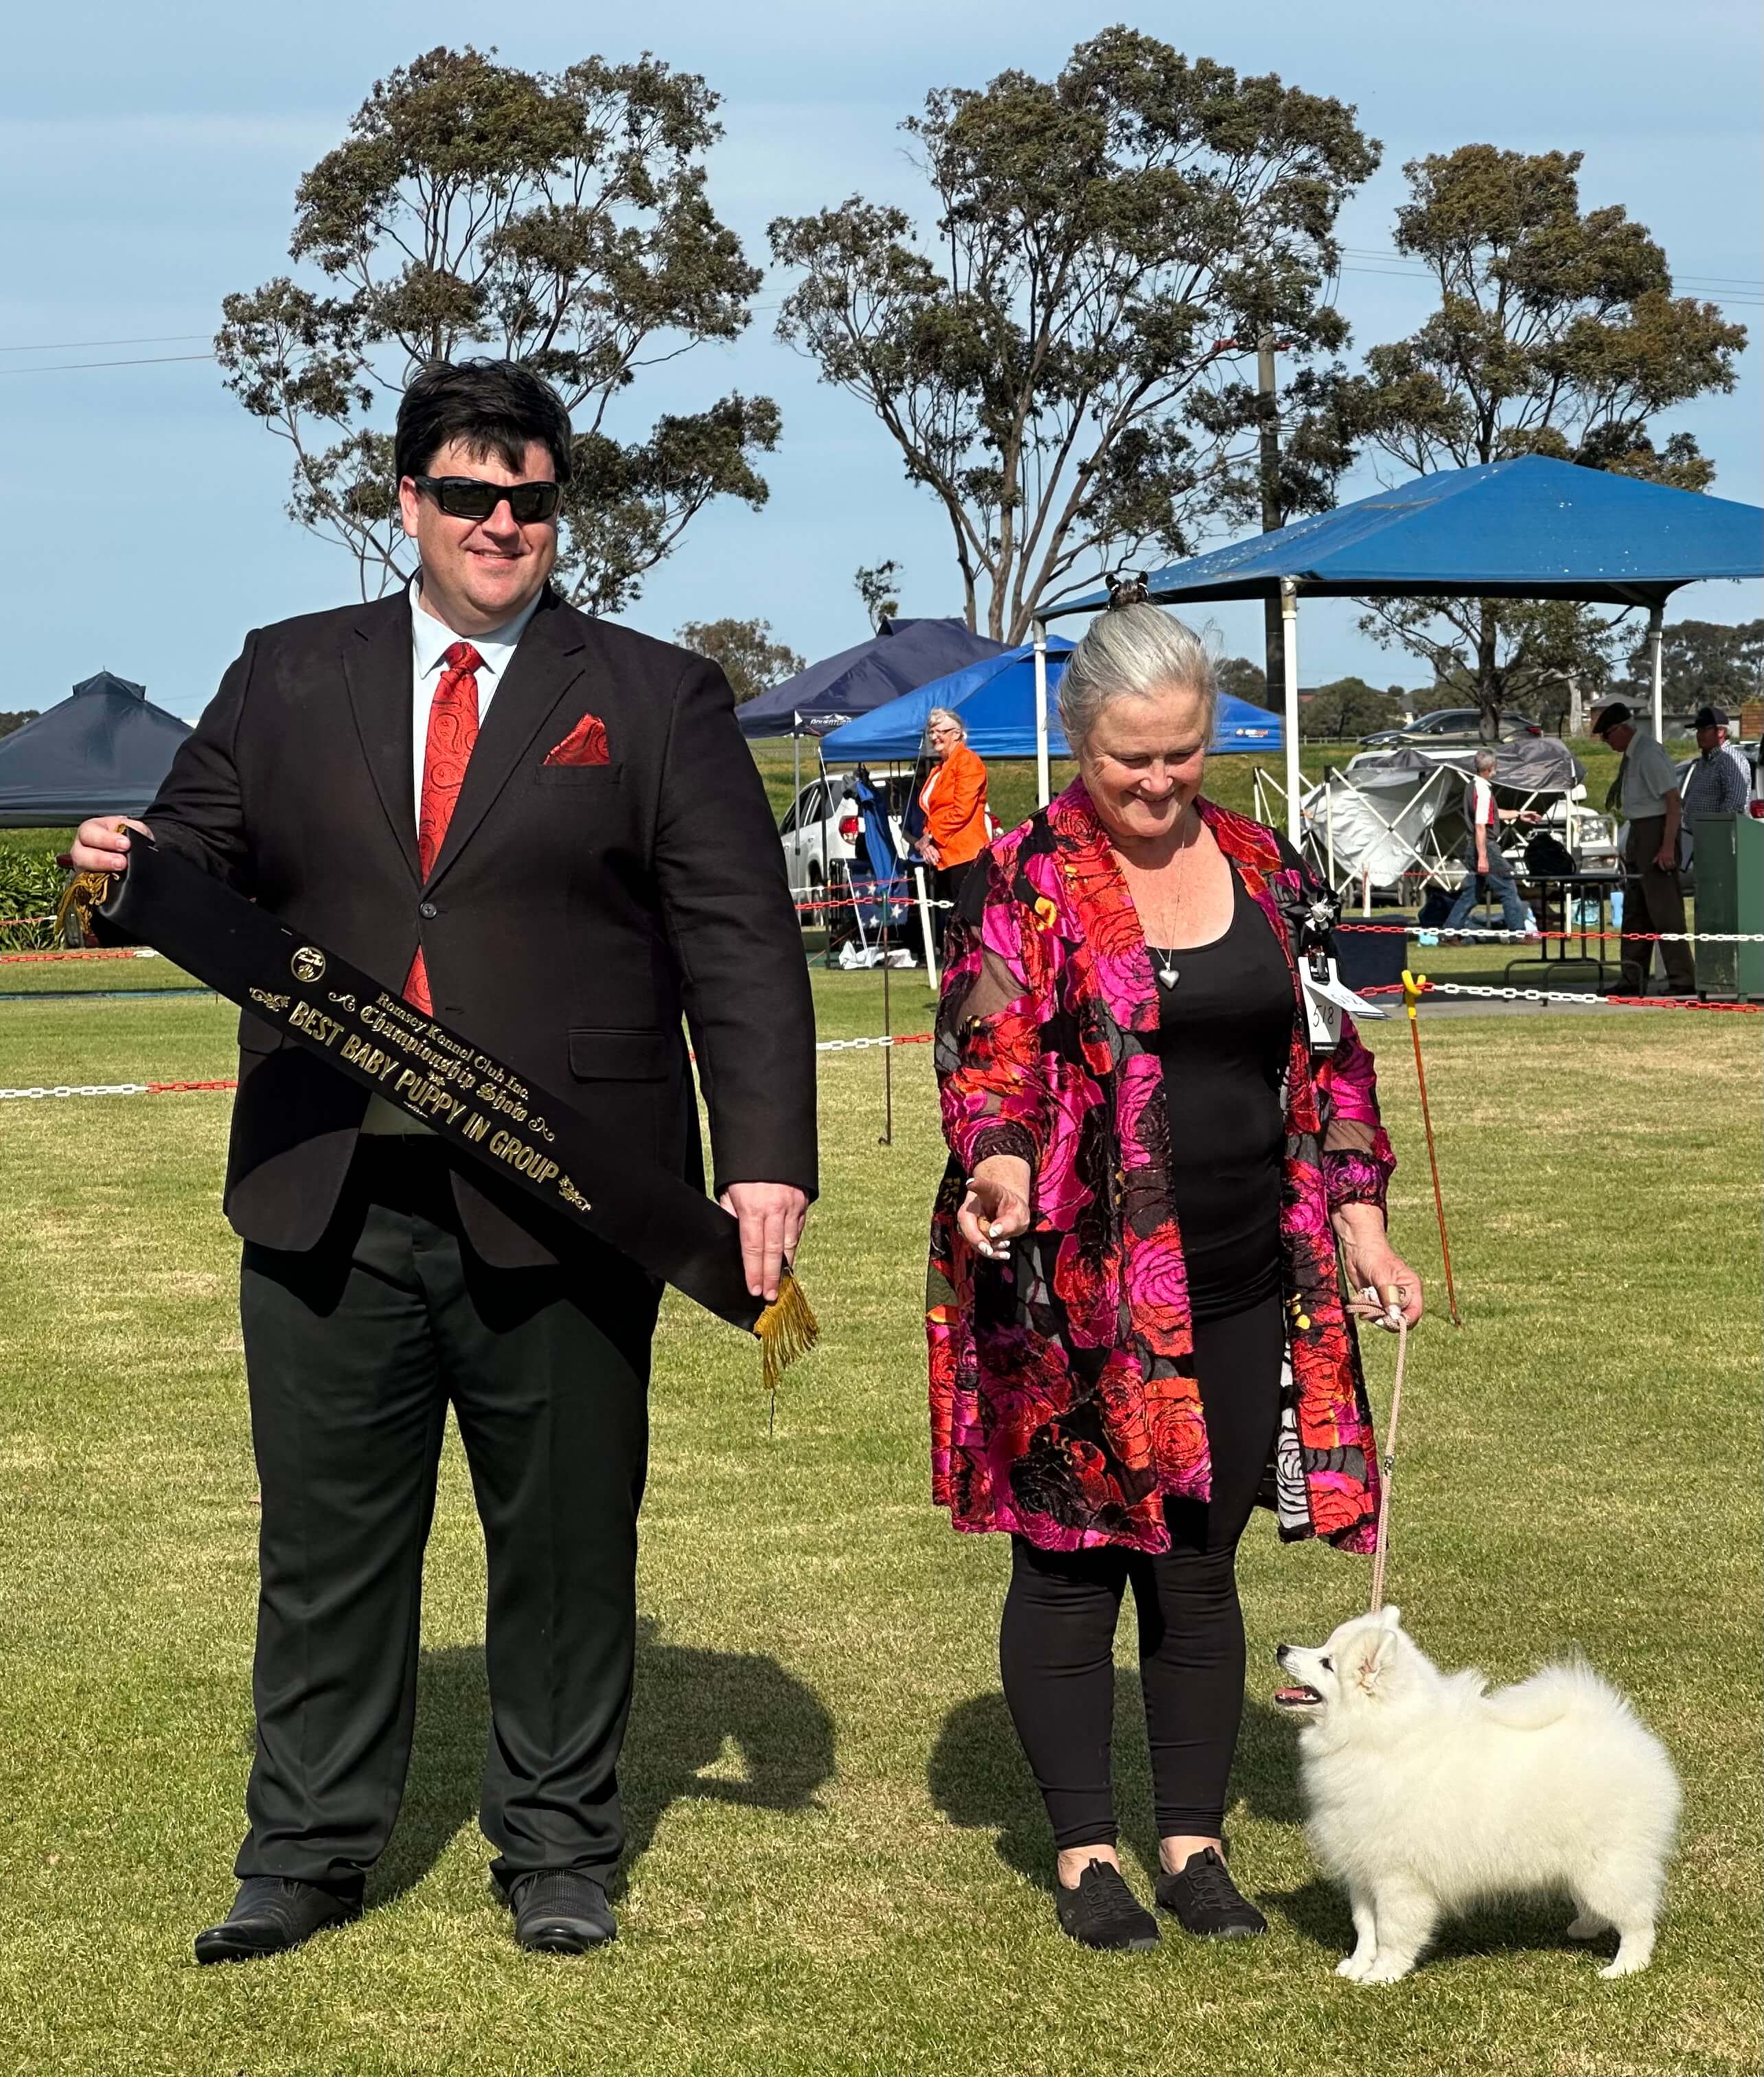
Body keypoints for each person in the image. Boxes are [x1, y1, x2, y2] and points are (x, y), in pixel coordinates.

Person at [69, 360, 816, 1962]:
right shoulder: (283, 676)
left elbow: (741, 943)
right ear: (404, 501)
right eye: (468, 495)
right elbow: (191, 851)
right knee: (327, 1545)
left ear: (558, 515)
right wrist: (120, 871)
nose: (500, 525)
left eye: (530, 500)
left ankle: (555, 1845)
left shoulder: (656, 693)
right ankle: (308, 1851)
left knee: (562, 1539)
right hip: (323, 1183)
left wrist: (764, 1161)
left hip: (576, 1193)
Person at [925, 604, 1421, 1953]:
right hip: (1068, 1286)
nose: (1156, 784)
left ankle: (1194, 1848)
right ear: (1081, 737)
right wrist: (1002, 1166)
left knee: (1202, 1567)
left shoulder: (1266, 862)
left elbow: (1336, 1054)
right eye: (1130, 758)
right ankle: (1087, 1853)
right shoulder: (1024, 878)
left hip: (1248, 1269)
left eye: (1182, 756)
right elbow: (986, 1057)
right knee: (1074, 1564)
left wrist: (1364, 1219)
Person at [1590, 701, 1695, 995]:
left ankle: (1682, 978)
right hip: (1640, 831)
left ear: (1623, 729)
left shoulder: (1648, 753)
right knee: (1636, 911)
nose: (1606, 742)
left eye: (1608, 735)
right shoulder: (1633, 755)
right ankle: (1631, 977)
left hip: (1657, 830)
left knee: (1665, 910)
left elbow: (1673, 802)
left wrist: (1666, 848)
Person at [1442, 749, 1539, 937]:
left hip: (1473, 846)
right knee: (1508, 888)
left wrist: (1520, 814)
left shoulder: (1473, 787)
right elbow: (1480, 826)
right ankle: (1517, 933)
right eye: (1495, 768)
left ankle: (1449, 933)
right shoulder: (1483, 791)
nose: (1496, 771)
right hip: (1485, 845)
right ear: (1488, 768)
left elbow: (1493, 813)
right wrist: (1484, 857)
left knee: (1471, 894)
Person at [914, 707, 989, 942]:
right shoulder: (939, 768)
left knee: (970, 923)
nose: (935, 736)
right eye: (931, 732)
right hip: (943, 857)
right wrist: (927, 840)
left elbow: (962, 810)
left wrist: (932, 837)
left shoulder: (969, 763)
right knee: (954, 923)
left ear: (956, 734)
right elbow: (933, 812)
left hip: (966, 856)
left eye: (940, 731)